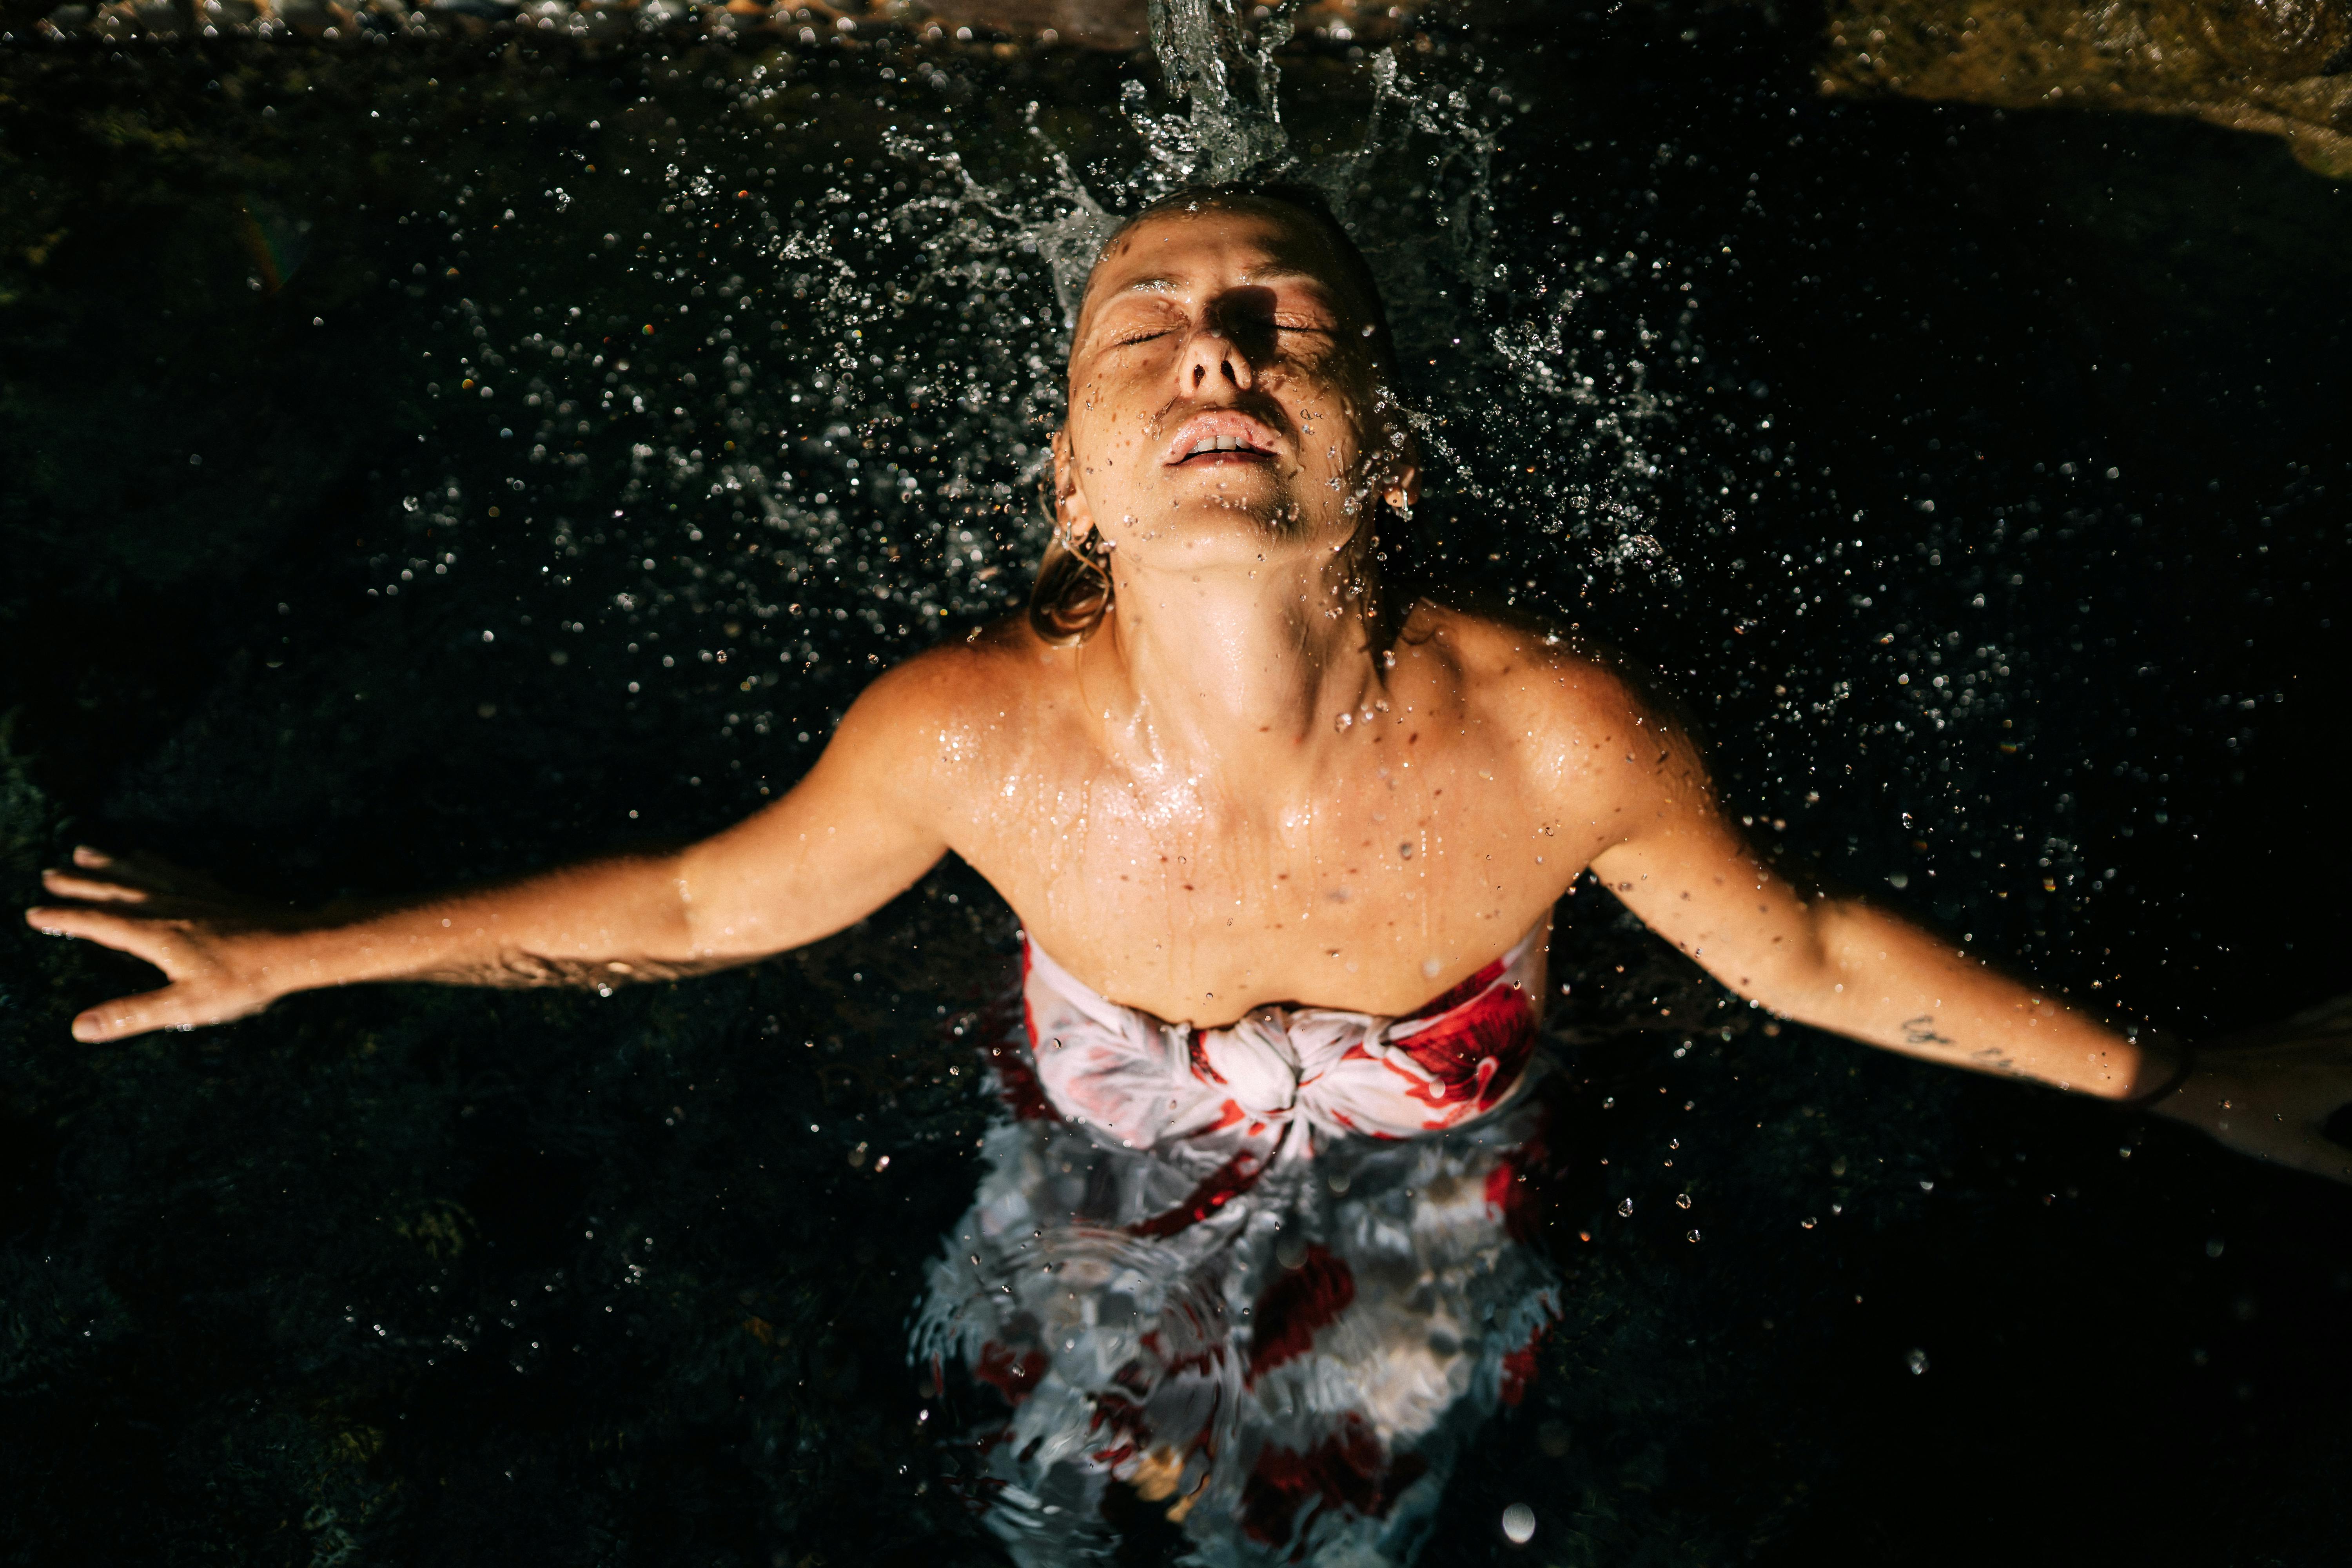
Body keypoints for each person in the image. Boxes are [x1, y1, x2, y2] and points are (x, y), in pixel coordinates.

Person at [24, 183, 2352, 1563]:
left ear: (1389, 451)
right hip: (1109, 1092)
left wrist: (2184, 1082)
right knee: (1051, 1483)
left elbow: (1814, 948)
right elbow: (686, 908)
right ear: (1067, 480)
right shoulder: (973, 739)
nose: (1213, 347)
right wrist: (286, 960)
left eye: (1281, 324)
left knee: (1363, 1512)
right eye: (1143, 326)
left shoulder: (1554, 738)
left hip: (1452, 1097)